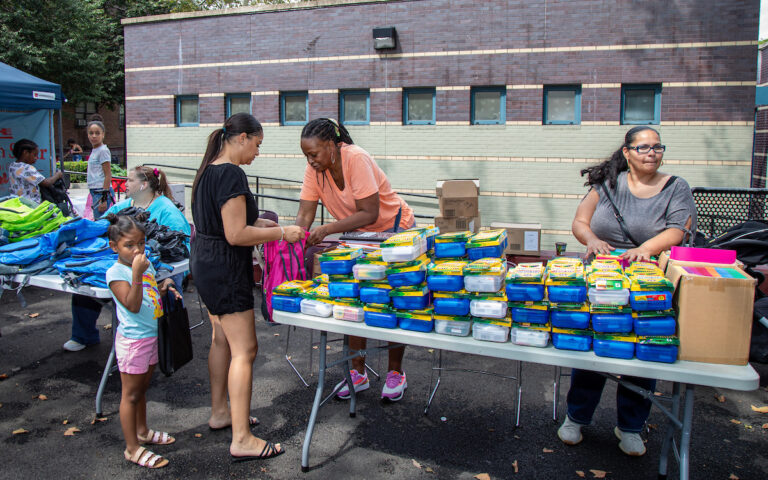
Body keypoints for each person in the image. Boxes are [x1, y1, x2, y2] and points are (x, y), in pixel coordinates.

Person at [557, 126, 696, 456]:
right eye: (644, 147)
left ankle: (631, 425)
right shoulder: (607, 185)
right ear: (627, 153)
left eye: (657, 147)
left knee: (642, 347)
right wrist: (590, 240)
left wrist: (646, 248)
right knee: (593, 344)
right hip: (602, 276)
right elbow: (580, 221)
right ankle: (577, 416)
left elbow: (680, 228)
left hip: (646, 279)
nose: (652, 153)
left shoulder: (676, 187)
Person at [191, 113, 303, 461]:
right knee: (246, 350)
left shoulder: (207, 170)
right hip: (225, 268)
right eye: (257, 144)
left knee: (221, 339)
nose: (257, 152)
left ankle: (221, 412)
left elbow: (232, 221)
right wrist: (281, 233)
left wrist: (266, 223)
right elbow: (236, 234)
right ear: (241, 138)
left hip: (205, 262)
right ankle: (242, 438)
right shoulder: (231, 174)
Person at [294, 118, 415, 402]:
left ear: (332, 146)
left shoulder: (356, 158)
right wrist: (294, 235)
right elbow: (304, 213)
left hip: (392, 230)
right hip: (357, 235)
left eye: (314, 154)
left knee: (390, 299)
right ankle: (357, 374)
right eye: (306, 156)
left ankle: (395, 373)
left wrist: (326, 230)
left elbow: (370, 213)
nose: (310, 161)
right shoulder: (315, 170)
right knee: (353, 299)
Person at [63, 165, 191, 352]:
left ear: (144, 185)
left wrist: (169, 272)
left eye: (130, 180)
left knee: (167, 291)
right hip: (122, 267)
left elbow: (183, 249)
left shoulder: (167, 210)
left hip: (160, 270)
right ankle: (83, 335)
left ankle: (168, 340)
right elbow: (100, 231)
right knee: (84, 290)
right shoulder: (122, 207)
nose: (125, 184)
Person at [105, 212, 180, 469]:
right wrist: (137, 274)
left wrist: (164, 286)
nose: (137, 250)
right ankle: (132, 448)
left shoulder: (141, 266)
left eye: (140, 243)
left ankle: (142, 431)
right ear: (114, 246)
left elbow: (147, 295)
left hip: (150, 338)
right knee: (131, 395)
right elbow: (132, 305)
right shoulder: (116, 273)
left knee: (142, 390)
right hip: (133, 343)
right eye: (129, 245)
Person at [8, 138, 63, 204]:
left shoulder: (12, 166)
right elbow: (47, 183)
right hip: (30, 205)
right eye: (35, 155)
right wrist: (58, 175)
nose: (36, 158)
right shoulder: (27, 168)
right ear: (25, 153)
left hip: (17, 203)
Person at [86, 115, 114, 219]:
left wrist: (104, 198)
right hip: (94, 191)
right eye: (91, 133)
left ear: (103, 135)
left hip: (101, 192)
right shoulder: (95, 150)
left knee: (100, 223)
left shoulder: (103, 150)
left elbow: (108, 175)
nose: (94, 136)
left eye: (97, 133)